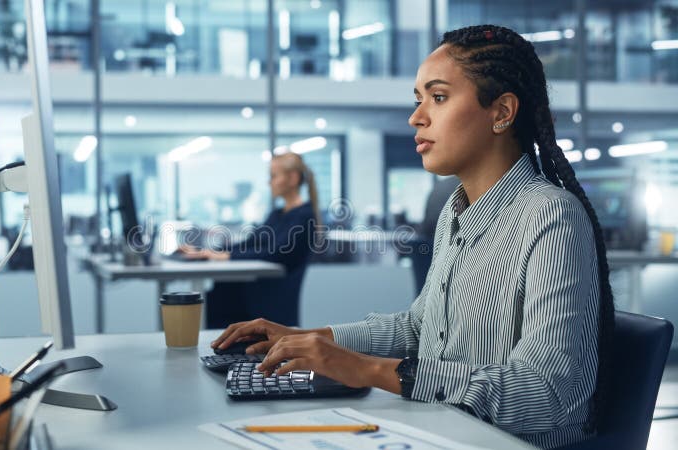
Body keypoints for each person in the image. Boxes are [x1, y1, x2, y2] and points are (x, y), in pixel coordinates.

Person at [210, 25, 615, 449]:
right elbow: (419, 330)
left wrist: (368, 370)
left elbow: (546, 393)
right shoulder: (455, 216)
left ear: (501, 112)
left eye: (438, 98)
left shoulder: (552, 217)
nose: (416, 117)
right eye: (418, 100)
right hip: (445, 430)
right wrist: (311, 339)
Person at [181, 152, 320, 327]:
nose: (269, 182)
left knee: (215, 299)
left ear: (292, 178)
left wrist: (227, 257)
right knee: (214, 295)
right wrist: (212, 252)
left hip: (270, 298)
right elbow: (251, 243)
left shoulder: (304, 217)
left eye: (273, 176)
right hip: (258, 292)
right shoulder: (277, 215)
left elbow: (275, 254)